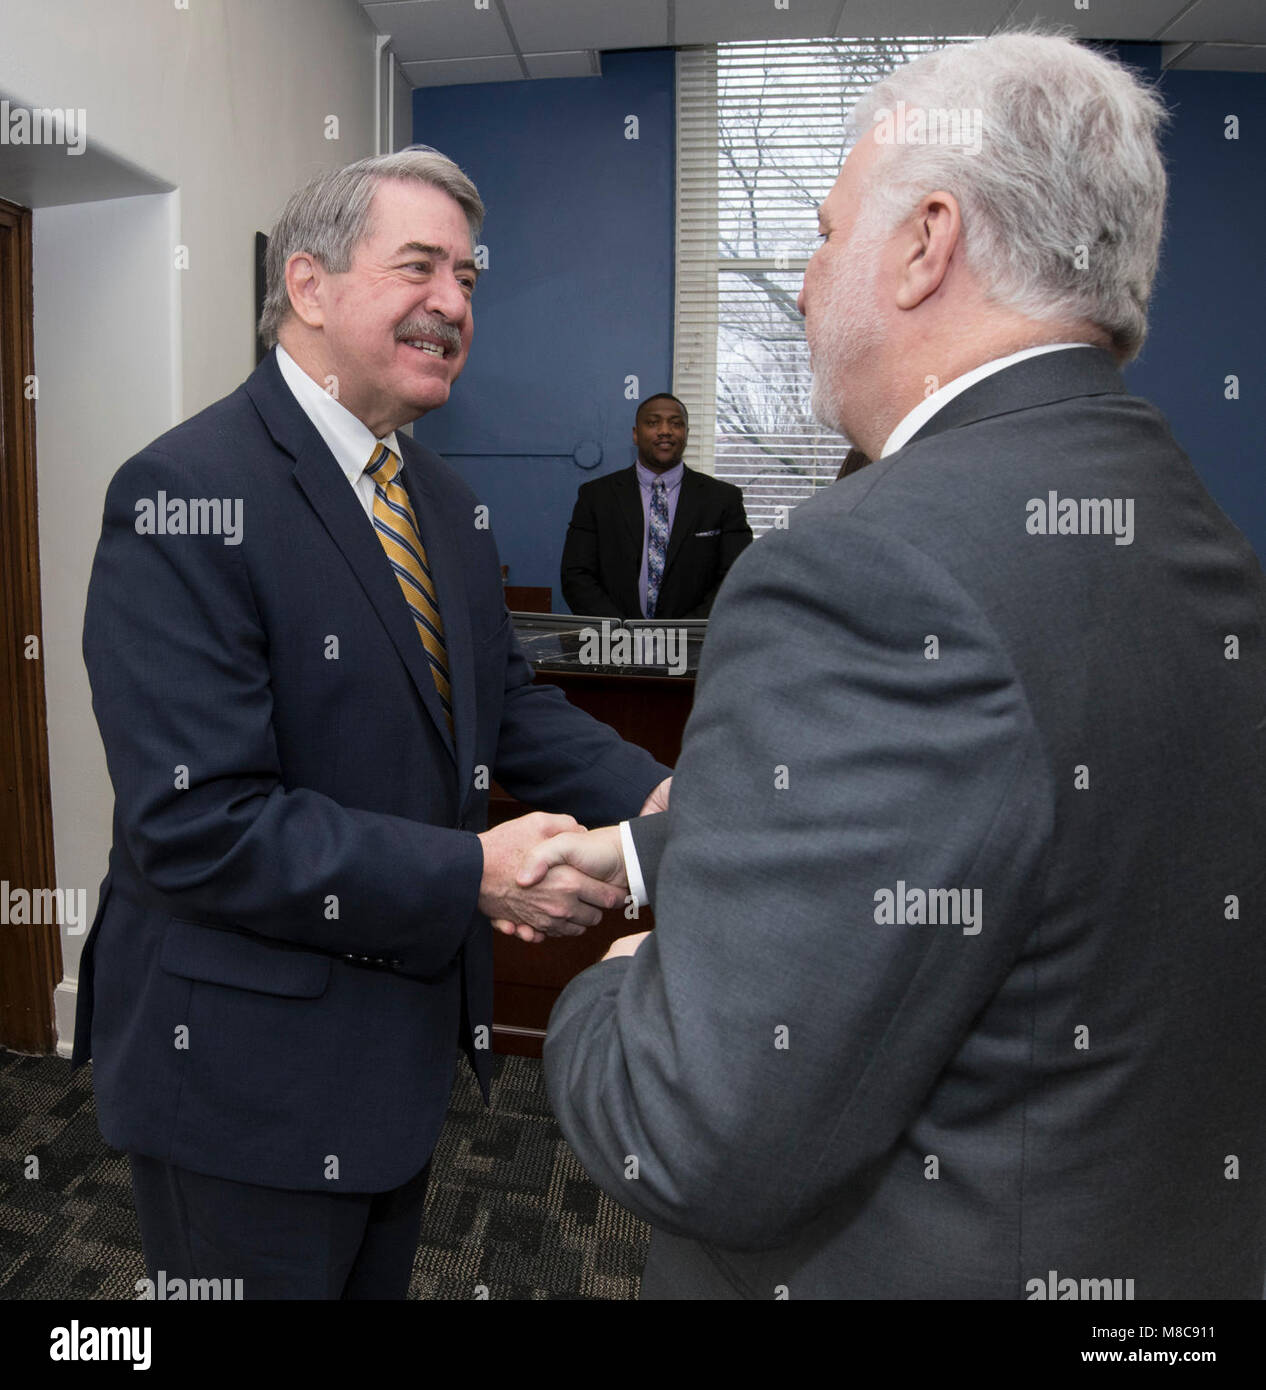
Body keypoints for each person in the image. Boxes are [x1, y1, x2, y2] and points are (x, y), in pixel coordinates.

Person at [528, 33, 1266, 1298]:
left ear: (927, 243)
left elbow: (691, 1127)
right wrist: (650, 850)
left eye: (824, 236)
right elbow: (998, 811)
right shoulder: (1186, 522)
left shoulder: (864, 567)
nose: (804, 286)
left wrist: (615, 979)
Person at [73, 147, 671, 1300]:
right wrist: (475, 874)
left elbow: (505, 704)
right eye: (420, 267)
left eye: (468, 278)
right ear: (309, 285)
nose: (454, 302)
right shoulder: (183, 494)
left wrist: (655, 792)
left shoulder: (439, 500)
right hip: (242, 1079)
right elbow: (201, 826)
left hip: (396, 1058)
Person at [559, 393, 752, 618]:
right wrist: (622, 631)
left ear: (686, 435)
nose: (665, 431)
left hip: (693, 636)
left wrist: (684, 633)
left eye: (676, 424)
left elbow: (736, 577)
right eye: (653, 423)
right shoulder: (596, 496)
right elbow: (577, 575)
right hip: (615, 636)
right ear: (635, 434)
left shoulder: (723, 499)